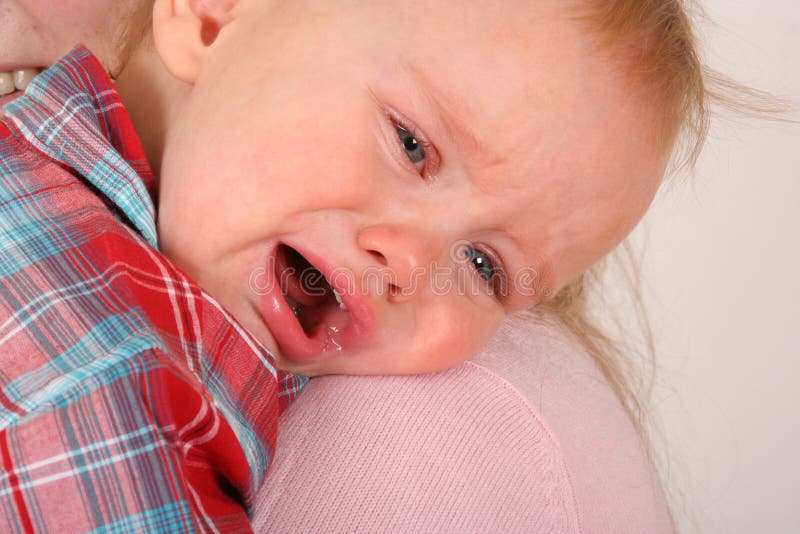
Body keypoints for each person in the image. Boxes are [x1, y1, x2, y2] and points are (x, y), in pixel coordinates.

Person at [0, 0, 712, 530]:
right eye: (410, 144)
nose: (410, 261)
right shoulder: (101, 381)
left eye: (484, 265)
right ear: (214, 17)